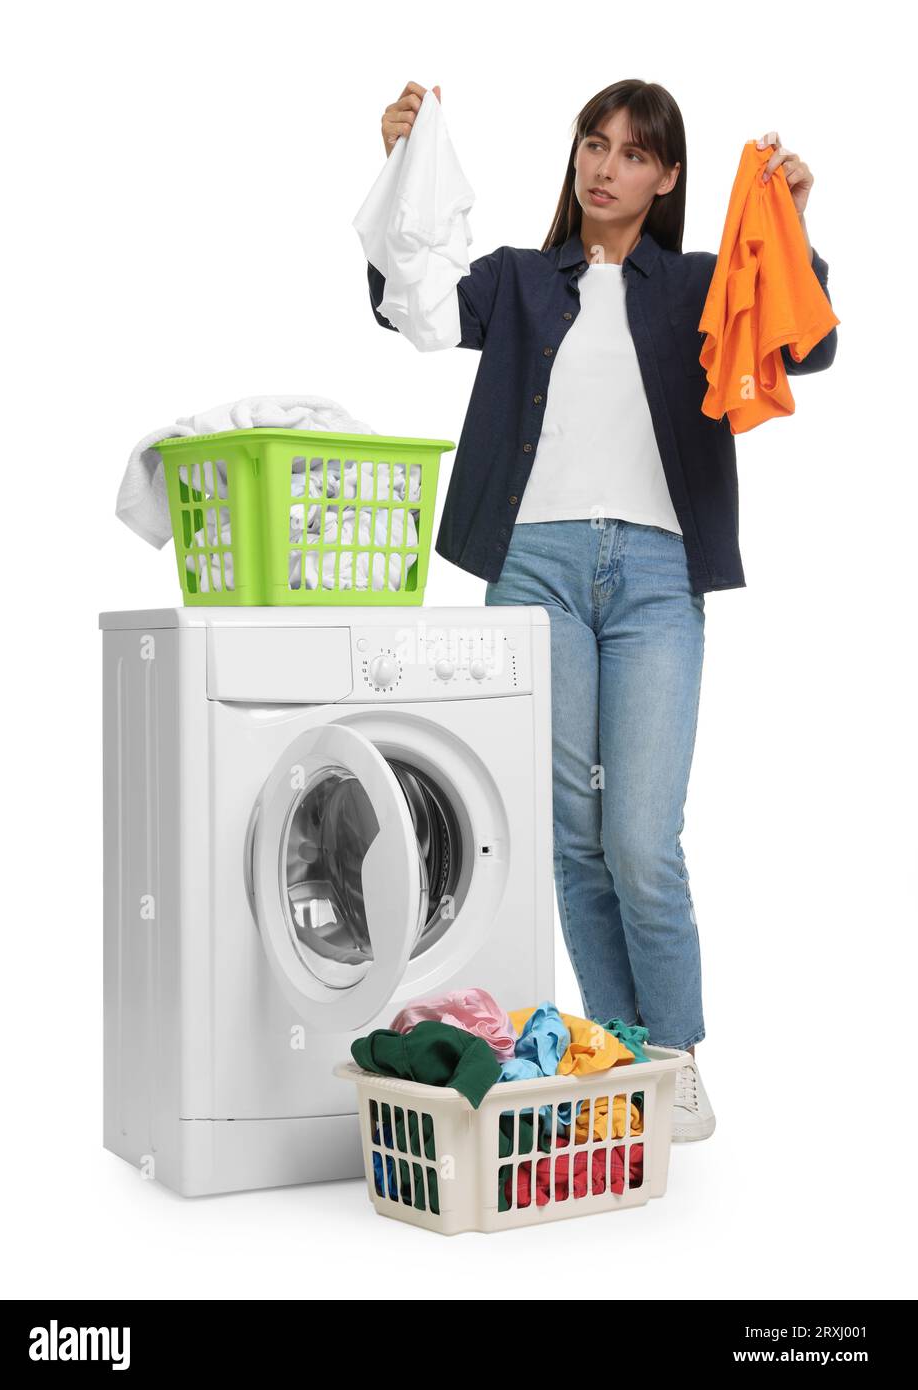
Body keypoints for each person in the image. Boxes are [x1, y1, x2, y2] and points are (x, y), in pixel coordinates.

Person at [367, 78, 837, 1141]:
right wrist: (401, 163)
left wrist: (795, 229)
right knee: (572, 838)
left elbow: (805, 344)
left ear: (667, 176)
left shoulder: (698, 289)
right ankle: (620, 1056)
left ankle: (675, 1051)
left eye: (631, 153)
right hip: (535, 567)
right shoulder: (525, 282)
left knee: (639, 834)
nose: (604, 167)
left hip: (657, 580)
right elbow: (418, 309)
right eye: (592, 144)